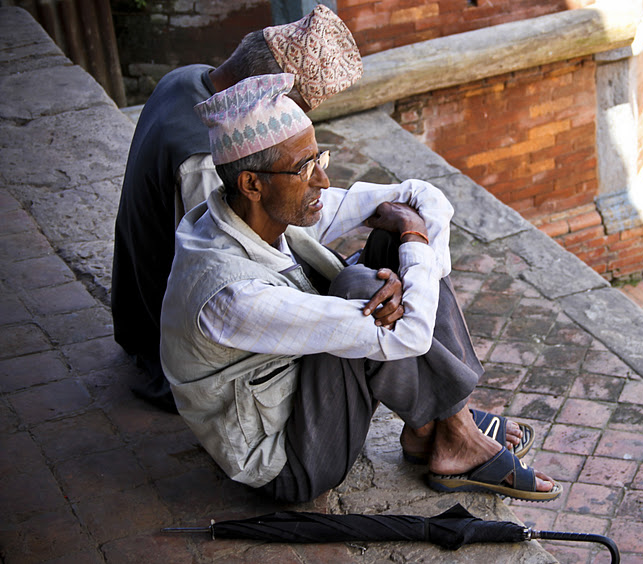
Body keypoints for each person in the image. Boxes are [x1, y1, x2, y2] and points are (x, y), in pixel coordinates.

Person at [160, 73, 562, 504]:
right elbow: (409, 335)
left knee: (389, 245)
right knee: (368, 282)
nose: (322, 181)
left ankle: (437, 425)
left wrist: (410, 248)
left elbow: (421, 197)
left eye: (320, 159)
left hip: (298, 386)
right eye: (304, 168)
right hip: (288, 459)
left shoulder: (253, 212)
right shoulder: (230, 296)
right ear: (252, 184)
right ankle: (455, 431)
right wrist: (415, 245)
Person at [111, 6, 362, 412]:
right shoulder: (204, 164)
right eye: (291, 109)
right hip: (170, 346)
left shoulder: (186, 78)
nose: (292, 122)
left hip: (133, 310)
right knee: (358, 313)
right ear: (257, 92)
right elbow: (231, 268)